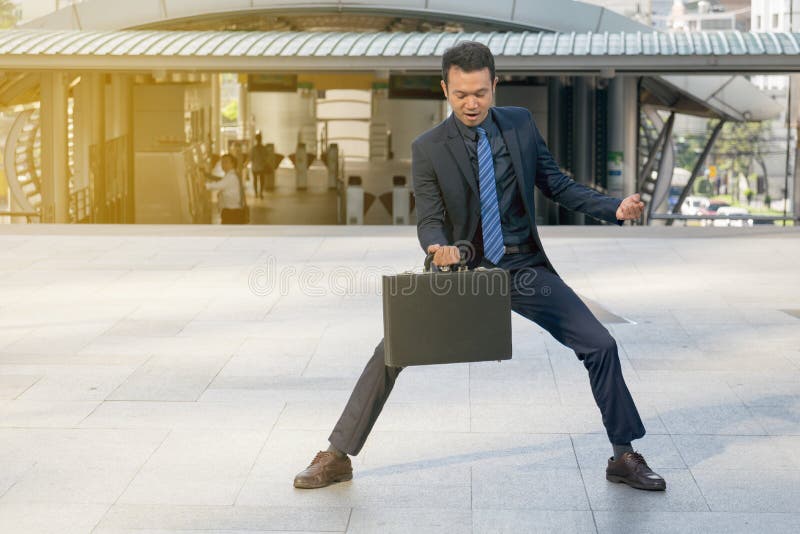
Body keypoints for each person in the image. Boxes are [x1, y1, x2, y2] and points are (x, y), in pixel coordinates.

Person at [293, 42, 665, 492]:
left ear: (495, 86)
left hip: (524, 267)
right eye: (461, 94)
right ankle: (337, 456)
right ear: (445, 90)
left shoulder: (521, 125)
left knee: (600, 345)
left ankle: (622, 454)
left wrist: (613, 208)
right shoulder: (428, 148)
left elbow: (557, 185)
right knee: (391, 351)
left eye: (481, 93)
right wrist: (438, 248)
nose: (472, 104)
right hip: (462, 273)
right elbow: (429, 218)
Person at [206, 154, 245, 224]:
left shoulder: (231, 177)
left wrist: (202, 185)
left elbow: (219, 185)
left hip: (232, 212)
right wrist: (208, 176)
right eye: (222, 162)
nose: (223, 165)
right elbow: (222, 180)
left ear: (232, 164)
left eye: (226, 162)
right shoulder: (230, 175)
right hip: (231, 211)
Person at [250, 132, 269, 199]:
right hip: (262, 167)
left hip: (255, 167)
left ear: (256, 139)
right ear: (261, 139)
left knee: (255, 180)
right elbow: (266, 157)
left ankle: (256, 193)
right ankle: (261, 193)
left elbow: (251, 158)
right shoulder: (264, 148)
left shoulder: (253, 148)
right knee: (261, 180)